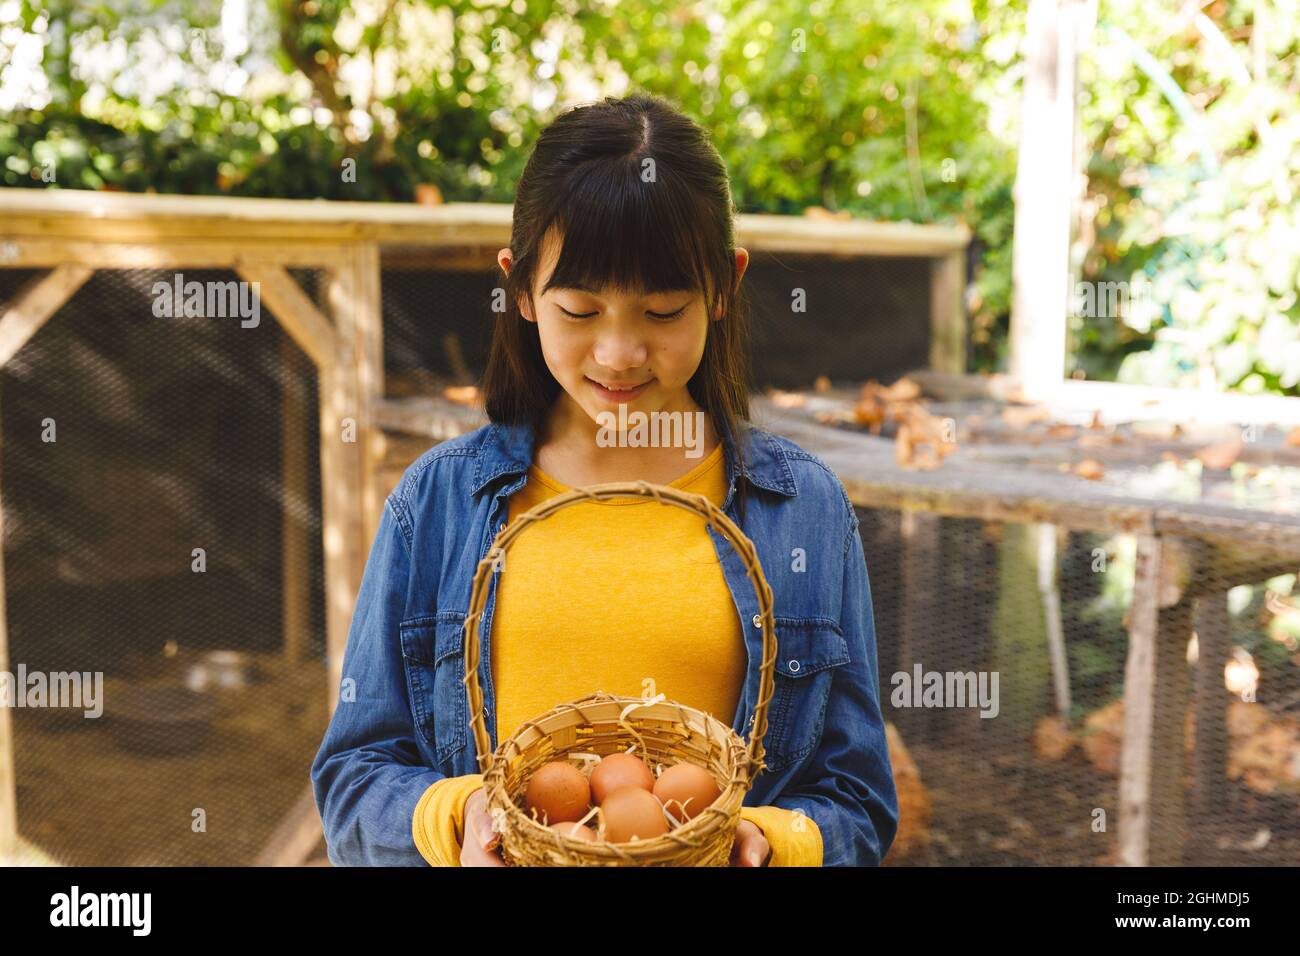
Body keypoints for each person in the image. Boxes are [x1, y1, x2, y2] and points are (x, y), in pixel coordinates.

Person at [311, 93, 898, 866]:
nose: (619, 353)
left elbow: (856, 795)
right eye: (580, 310)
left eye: (661, 310)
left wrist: (774, 840)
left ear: (724, 287)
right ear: (520, 290)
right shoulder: (438, 504)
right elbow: (353, 778)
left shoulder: (805, 510)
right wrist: (461, 819)